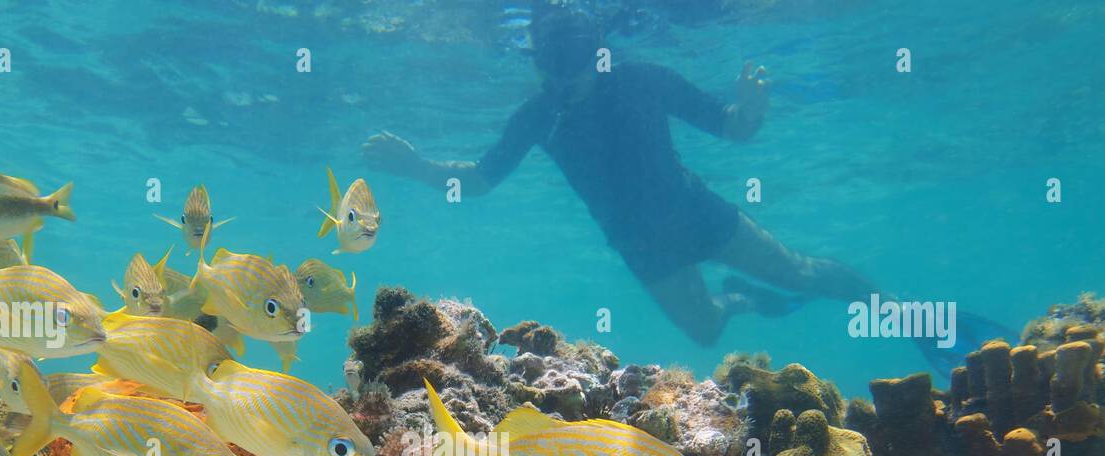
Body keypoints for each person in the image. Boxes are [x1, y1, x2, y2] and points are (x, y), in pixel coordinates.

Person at [363, 0, 877, 346]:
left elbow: (732, 127)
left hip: (697, 212)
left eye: (577, 56)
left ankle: (888, 305)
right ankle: (745, 300)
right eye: (553, 59)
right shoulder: (537, 114)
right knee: (704, 329)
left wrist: (751, 110)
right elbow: (478, 179)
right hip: (640, 243)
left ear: (597, 49)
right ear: (538, 59)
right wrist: (418, 167)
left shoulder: (643, 79)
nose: (566, 71)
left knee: (802, 272)